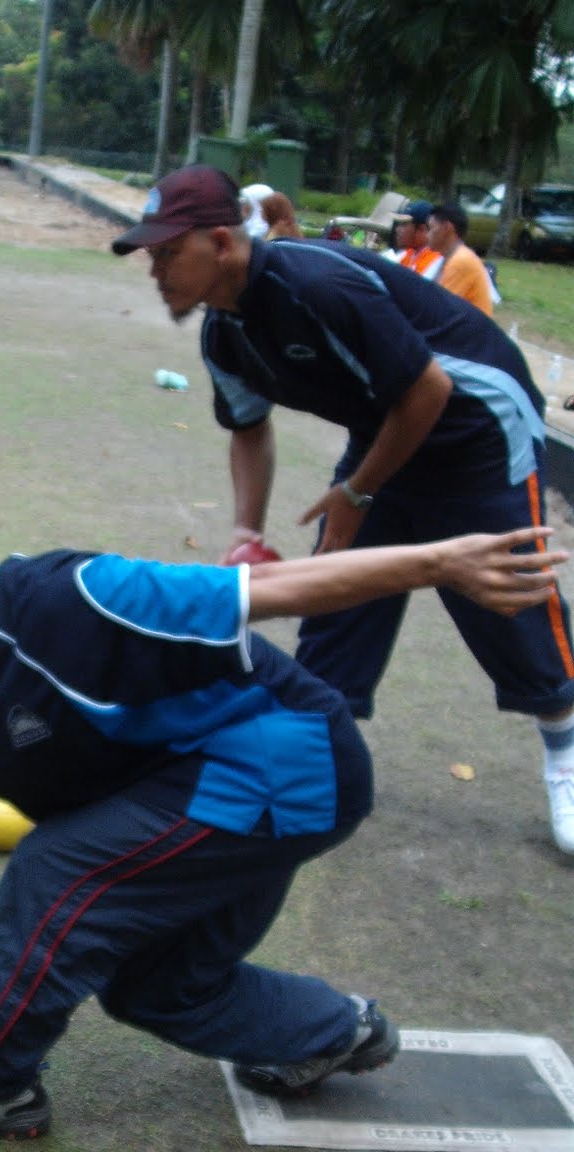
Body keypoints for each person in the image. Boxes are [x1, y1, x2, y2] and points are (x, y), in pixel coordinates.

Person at [0, 420, 563, 1138]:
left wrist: (438, 563)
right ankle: (335, 1033)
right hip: (206, 786)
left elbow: (263, 588)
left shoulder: (75, 598)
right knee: (154, 987)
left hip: (288, 760)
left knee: (57, 868)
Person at [112, 164, 574, 855]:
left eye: (169, 253)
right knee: (336, 597)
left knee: (504, 595)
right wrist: (246, 531)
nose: (157, 272)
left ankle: (565, 754)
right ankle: (313, 759)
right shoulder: (224, 336)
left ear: (222, 241)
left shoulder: (312, 284)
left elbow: (430, 388)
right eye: (152, 256)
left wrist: (356, 496)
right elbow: (248, 430)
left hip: (475, 420)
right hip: (389, 423)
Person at [427, 201, 496, 315]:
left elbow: (440, 310)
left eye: (431, 228)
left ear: (447, 228)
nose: (427, 235)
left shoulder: (461, 261)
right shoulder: (449, 258)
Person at [393, 200, 443, 279]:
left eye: (403, 224)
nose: (397, 229)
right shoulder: (409, 253)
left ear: (422, 229)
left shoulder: (435, 261)